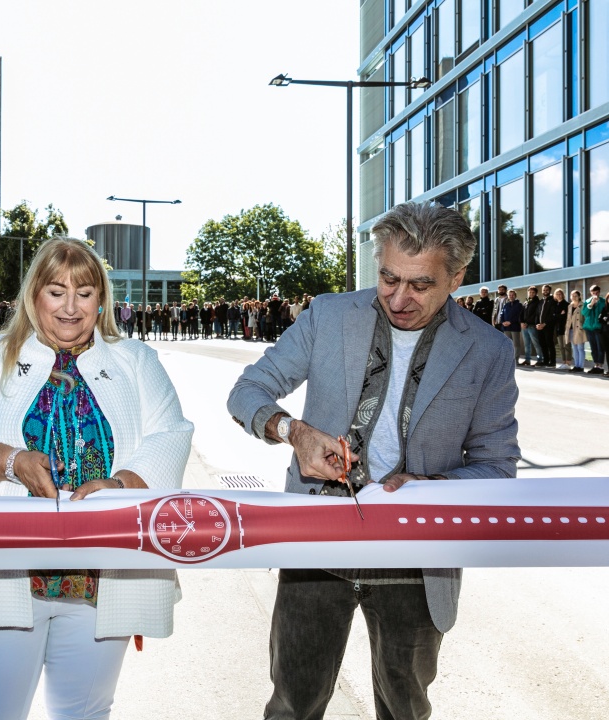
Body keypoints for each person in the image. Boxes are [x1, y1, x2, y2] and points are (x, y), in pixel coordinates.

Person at [227, 201, 519, 720]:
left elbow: (497, 466)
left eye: (421, 285)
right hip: (316, 541)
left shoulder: (488, 350)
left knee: (404, 708)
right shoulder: (329, 315)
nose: (399, 297)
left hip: (416, 552)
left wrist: (428, 486)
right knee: (294, 703)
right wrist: (291, 431)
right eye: (388, 277)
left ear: (456, 278)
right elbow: (249, 392)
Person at [0, 237, 193, 720]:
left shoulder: (136, 361)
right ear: (34, 297)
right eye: (56, 291)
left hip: (98, 580)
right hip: (6, 575)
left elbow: (170, 435)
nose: (71, 307)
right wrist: (12, 461)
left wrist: (125, 482)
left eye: (85, 293)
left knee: (85, 714)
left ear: (101, 300)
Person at [582, 285, 604, 374]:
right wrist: (591, 304)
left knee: (600, 347)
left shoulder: (603, 301)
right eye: (593, 293)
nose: (595, 294)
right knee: (593, 347)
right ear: (590, 292)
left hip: (599, 327)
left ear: (599, 292)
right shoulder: (587, 301)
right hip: (589, 327)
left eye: (596, 292)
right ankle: (595, 365)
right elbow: (584, 313)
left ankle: (600, 366)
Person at [520, 286, 544, 366]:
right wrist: (522, 322)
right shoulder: (526, 302)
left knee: (536, 344)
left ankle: (540, 359)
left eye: (533, 292)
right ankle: (527, 360)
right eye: (530, 292)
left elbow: (536, 315)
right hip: (525, 327)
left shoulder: (538, 302)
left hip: (532, 326)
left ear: (536, 293)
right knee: (527, 344)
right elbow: (522, 313)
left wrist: (528, 322)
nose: (531, 293)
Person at [564, 289, 587, 373]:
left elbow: (585, 317)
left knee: (580, 348)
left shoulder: (583, 305)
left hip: (579, 329)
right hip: (570, 329)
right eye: (572, 296)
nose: (574, 297)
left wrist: (582, 326)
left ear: (579, 296)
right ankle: (576, 365)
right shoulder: (570, 306)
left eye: (575, 296)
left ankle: (581, 366)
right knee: (575, 348)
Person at [500, 289, 525, 362]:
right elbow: (502, 315)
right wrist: (503, 322)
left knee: (516, 344)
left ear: (515, 296)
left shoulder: (519, 305)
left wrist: (511, 322)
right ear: (508, 296)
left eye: (513, 295)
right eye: (510, 295)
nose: (511, 296)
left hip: (515, 327)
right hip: (506, 328)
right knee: (508, 345)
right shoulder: (506, 305)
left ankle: (515, 360)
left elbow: (519, 316)